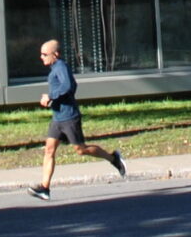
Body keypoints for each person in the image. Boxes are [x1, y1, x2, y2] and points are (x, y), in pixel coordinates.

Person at [28, 37, 125, 200]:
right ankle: (45, 188)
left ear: (55, 54)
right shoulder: (54, 68)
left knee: (81, 150)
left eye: (45, 54)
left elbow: (69, 87)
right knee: (49, 150)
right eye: (41, 54)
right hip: (58, 117)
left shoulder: (61, 66)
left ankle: (113, 158)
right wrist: (52, 100)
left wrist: (51, 96)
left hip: (69, 117)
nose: (41, 57)